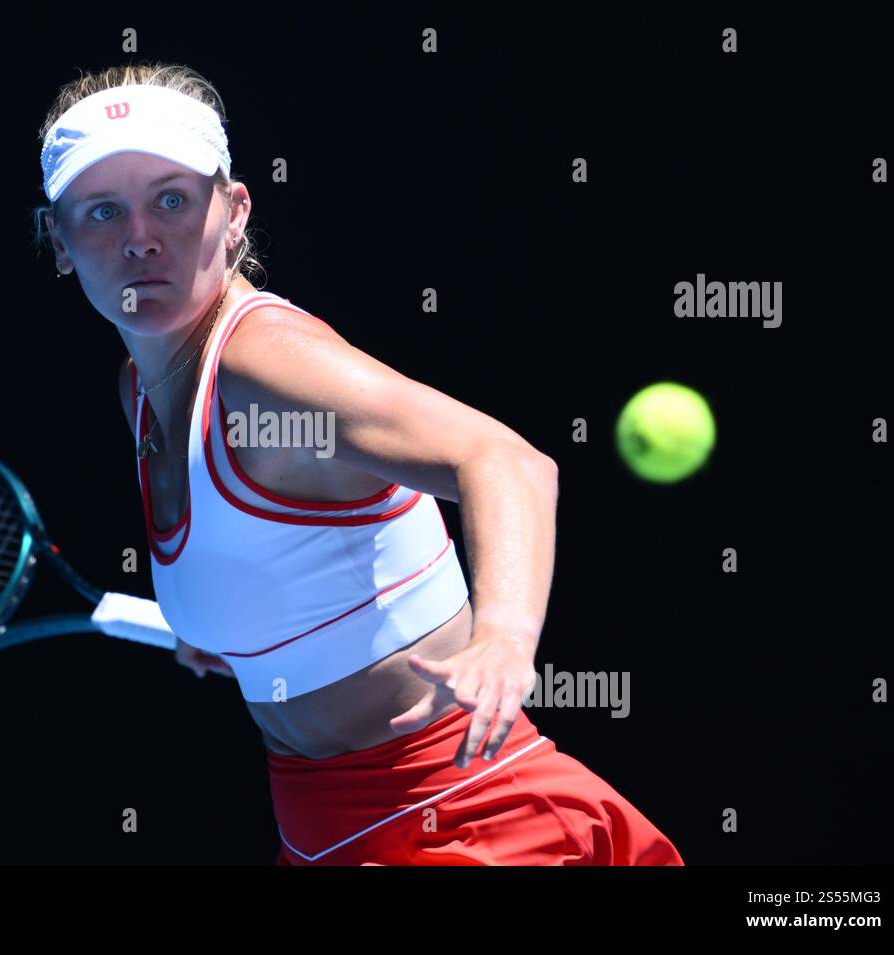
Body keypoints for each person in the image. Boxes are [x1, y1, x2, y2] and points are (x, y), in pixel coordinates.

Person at [35, 62, 684, 866]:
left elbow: (506, 459)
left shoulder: (266, 366)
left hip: (468, 815)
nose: (141, 236)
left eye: (173, 198)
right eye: (103, 212)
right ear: (59, 243)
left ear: (234, 214)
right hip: (320, 826)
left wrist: (504, 642)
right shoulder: (139, 391)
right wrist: (226, 631)